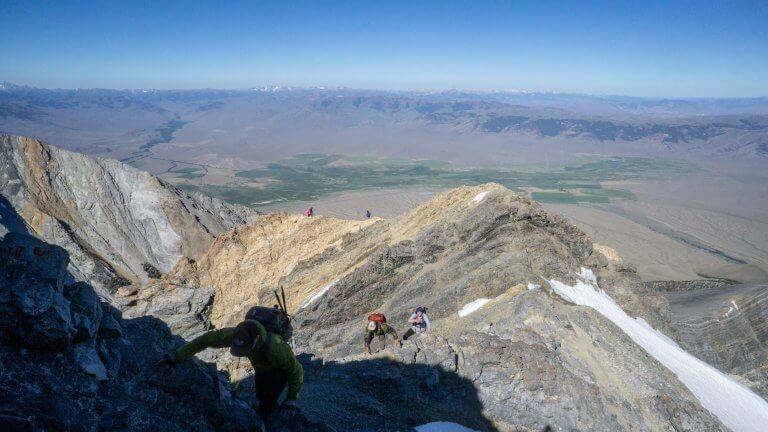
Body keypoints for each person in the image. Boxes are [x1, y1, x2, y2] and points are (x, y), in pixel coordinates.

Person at [154, 319, 303, 423]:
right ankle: (265, 412)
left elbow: (296, 371)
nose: (243, 353)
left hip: (278, 370)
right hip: (261, 368)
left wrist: (291, 400)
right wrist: (176, 356)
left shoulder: (277, 349)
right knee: (260, 393)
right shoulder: (234, 335)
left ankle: (268, 417)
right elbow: (204, 341)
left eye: (245, 350)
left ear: (257, 340)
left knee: (268, 401)